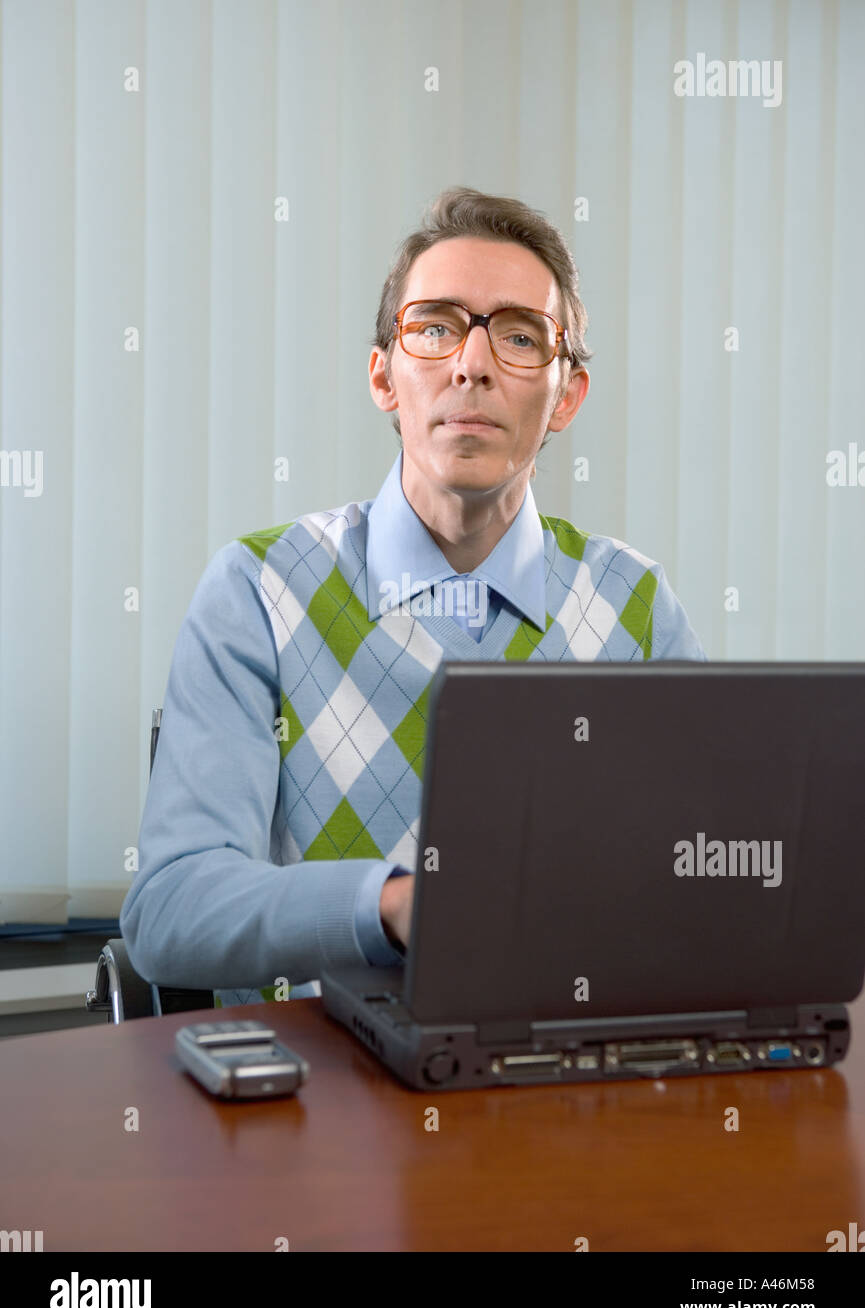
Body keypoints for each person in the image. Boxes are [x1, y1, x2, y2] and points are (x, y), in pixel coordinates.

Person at [120, 186, 706, 1008]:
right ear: (384, 378)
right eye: (433, 328)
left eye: (518, 336)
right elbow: (171, 911)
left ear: (565, 396)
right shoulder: (257, 589)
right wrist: (392, 904)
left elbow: (706, 877)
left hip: (566, 1085)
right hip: (316, 1103)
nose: (470, 364)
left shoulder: (634, 603)